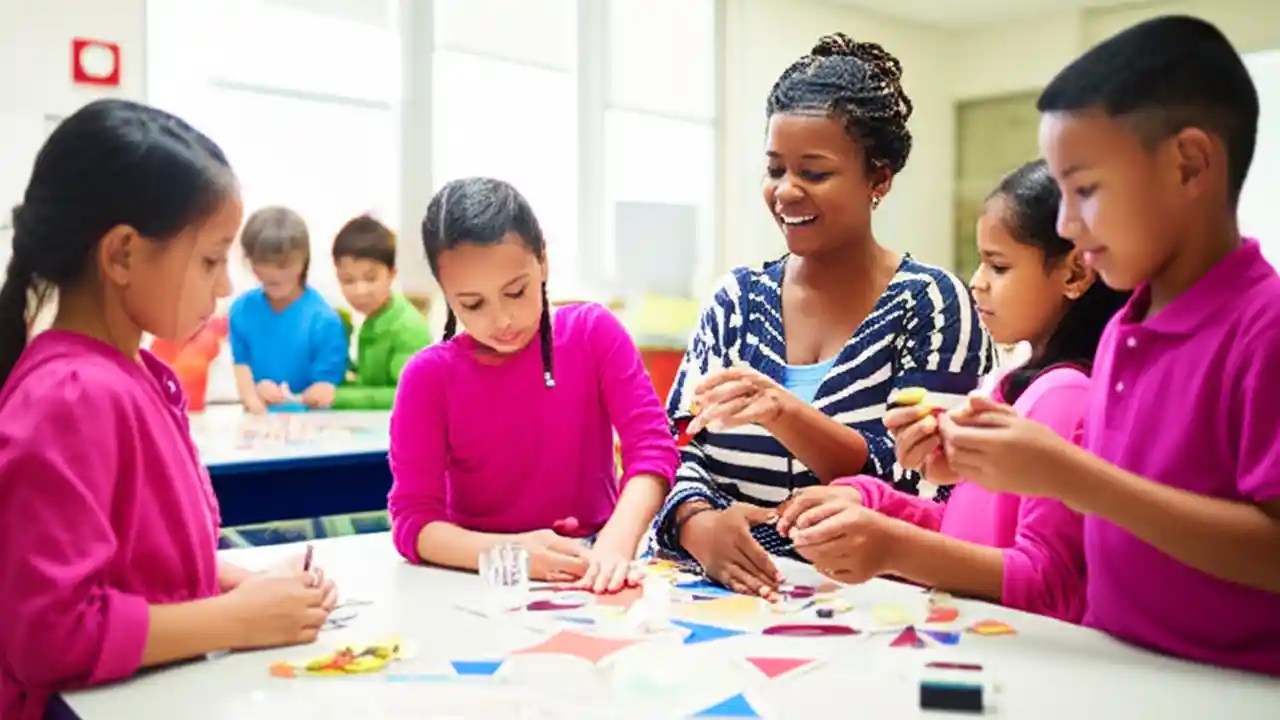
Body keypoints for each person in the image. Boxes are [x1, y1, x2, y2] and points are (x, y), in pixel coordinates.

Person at [937, 16, 1280, 675]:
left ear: (1189, 165)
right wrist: (983, 459)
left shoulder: (1262, 327)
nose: (1068, 223)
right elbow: (1111, 500)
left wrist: (1075, 478)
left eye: (1086, 190)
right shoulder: (1127, 326)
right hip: (1109, 667)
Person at [0, 99, 336, 720]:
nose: (226, 286)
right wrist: (232, 619)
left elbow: (137, 567)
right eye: (211, 260)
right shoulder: (70, 396)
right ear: (123, 255)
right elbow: (50, 636)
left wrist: (237, 585)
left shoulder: (129, 376)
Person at [648, 33, 992, 599]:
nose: (786, 192)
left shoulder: (932, 304)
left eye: (815, 172)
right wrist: (695, 522)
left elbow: (930, 484)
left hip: (873, 604)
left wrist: (786, 412)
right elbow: (676, 442)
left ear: (878, 178)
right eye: (776, 168)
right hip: (719, 593)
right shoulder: (736, 300)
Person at [778, 160, 1129, 622]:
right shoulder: (1015, 384)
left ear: (1074, 275)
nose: (978, 281)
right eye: (981, 261)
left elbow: (1050, 585)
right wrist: (871, 500)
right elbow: (974, 539)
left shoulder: (1066, 397)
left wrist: (893, 548)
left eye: (999, 266)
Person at [387, 178, 679, 593]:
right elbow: (413, 522)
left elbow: (653, 449)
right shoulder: (428, 378)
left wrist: (616, 543)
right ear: (445, 293)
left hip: (595, 567)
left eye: (516, 291)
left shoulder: (593, 334)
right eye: (472, 304)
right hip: (478, 580)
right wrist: (510, 553)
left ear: (542, 260)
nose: (502, 319)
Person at [229, 206, 347, 413]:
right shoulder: (242, 311)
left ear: (304, 260)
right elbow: (242, 365)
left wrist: (290, 399)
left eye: (284, 265)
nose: (274, 274)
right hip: (258, 425)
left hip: (311, 426)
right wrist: (254, 397)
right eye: (262, 263)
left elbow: (323, 393)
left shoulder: (324, 321)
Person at [330, 214, 433, 410]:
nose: (360, 291)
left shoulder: (407, 328)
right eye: (348, 280)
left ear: (392, 274)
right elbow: (370, 383)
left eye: (370, 279)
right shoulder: (373, 317)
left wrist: (337, 397)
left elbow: (408, 395)